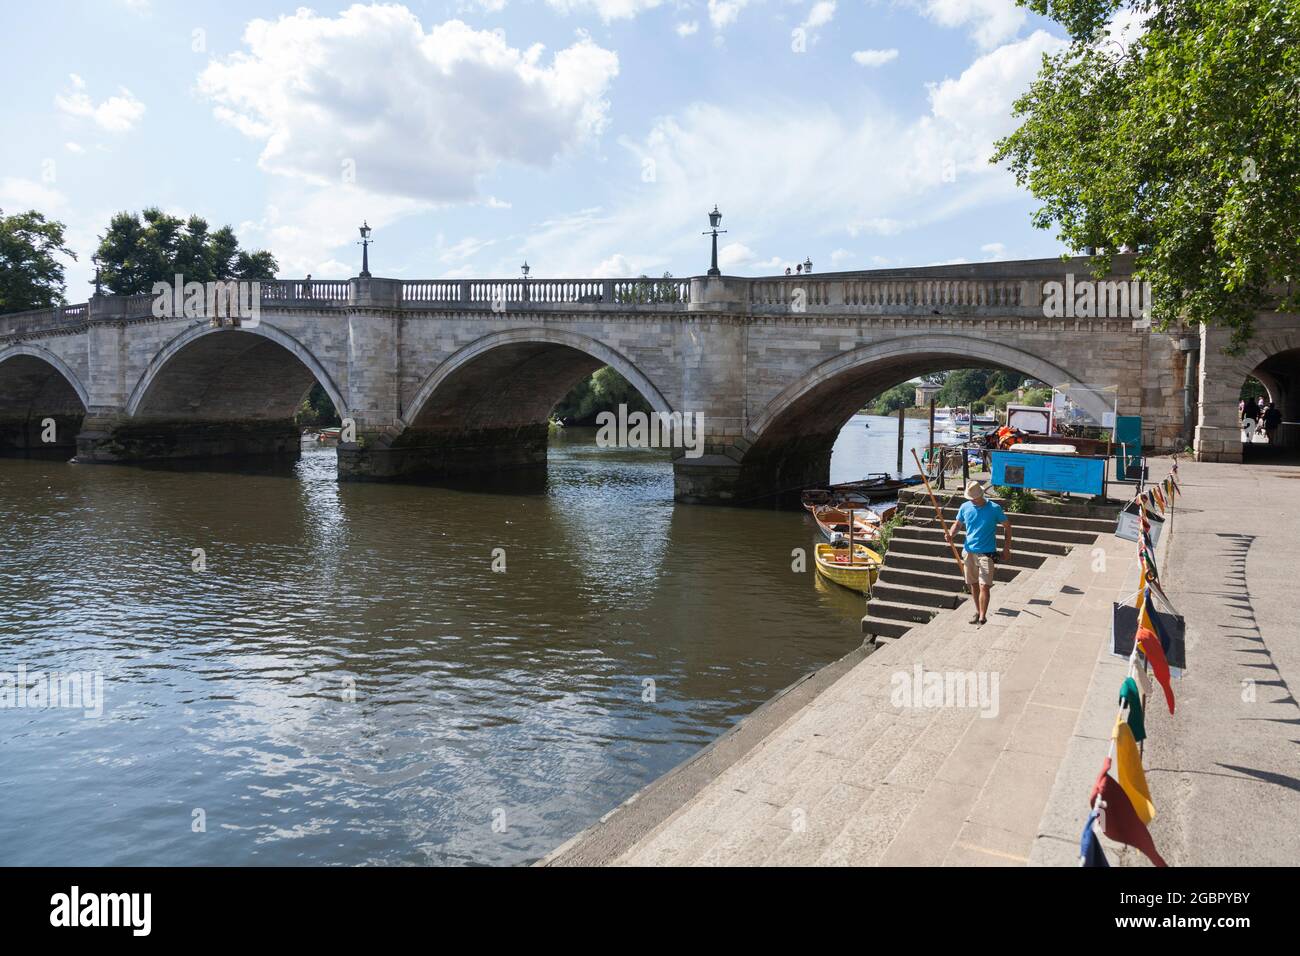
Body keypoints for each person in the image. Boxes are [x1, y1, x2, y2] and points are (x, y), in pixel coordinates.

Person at [949, 480, 1012, 626]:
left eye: (973, 498)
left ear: (980, 495)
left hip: (987, 553)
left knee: (985, 585)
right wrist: (951, 533)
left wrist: (1006, 548)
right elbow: (958, 524)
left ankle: (983, 616)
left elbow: (1007, 527)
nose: (972, 501)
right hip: (969, 551)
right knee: (974, 584)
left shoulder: (994, 508)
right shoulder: (965, 507)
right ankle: (978, 611)